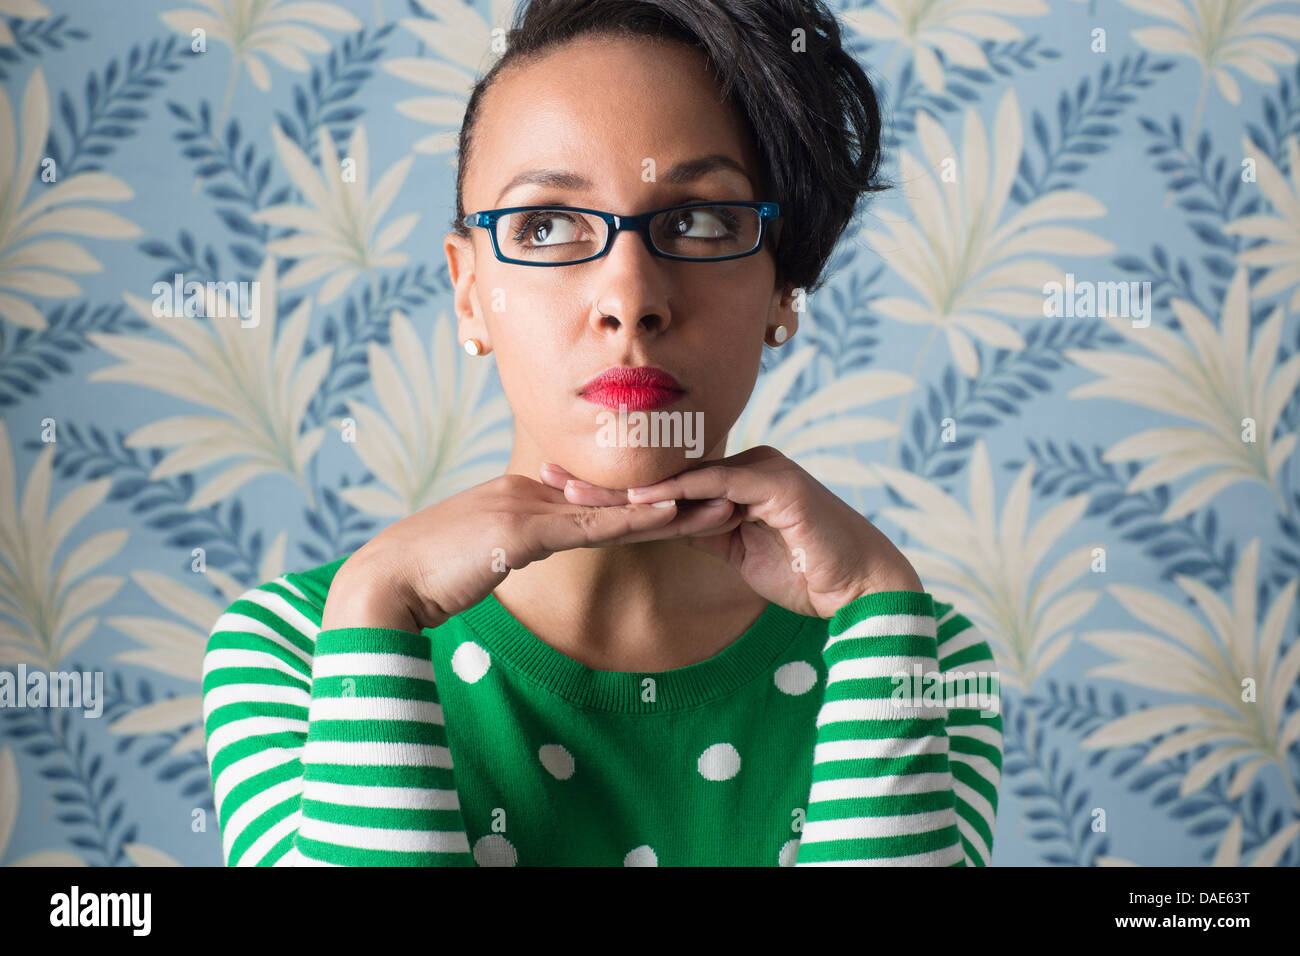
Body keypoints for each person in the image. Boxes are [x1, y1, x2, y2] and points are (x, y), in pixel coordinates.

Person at [202, 0, 1003, 867]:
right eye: (546, 225)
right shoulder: (297, 649)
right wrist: (375, 605)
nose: (630, 298)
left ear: (784, 290)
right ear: (469, 292)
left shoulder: (917, 651)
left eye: (701, 220)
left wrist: (880, 598)